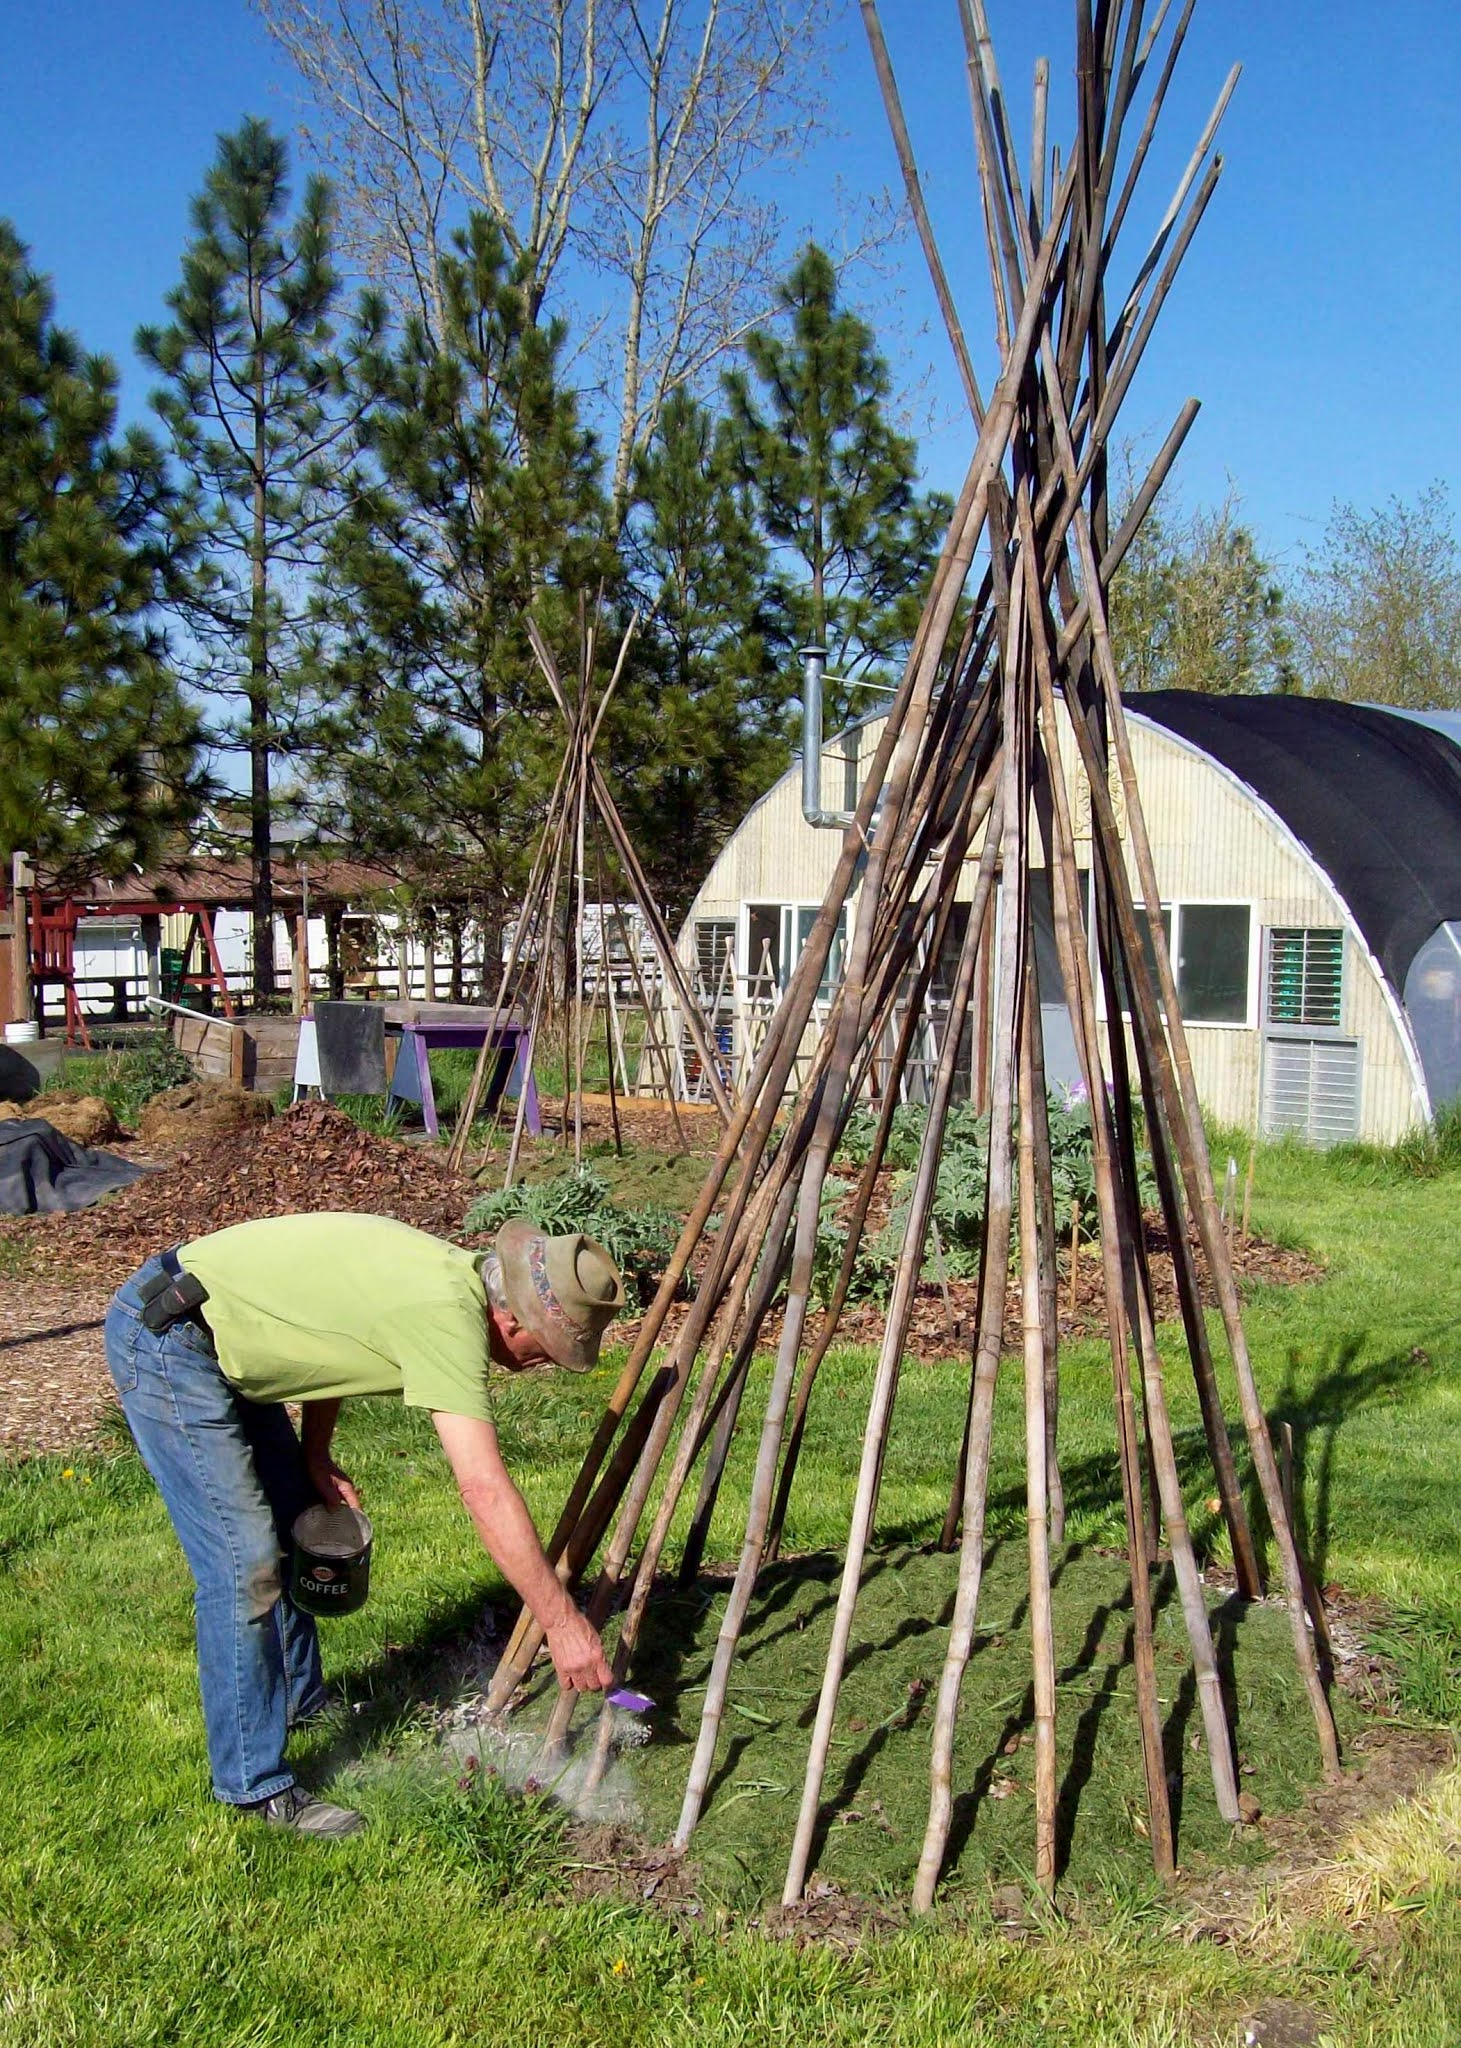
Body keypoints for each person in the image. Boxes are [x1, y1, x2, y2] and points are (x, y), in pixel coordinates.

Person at [103, 1212, 624, 1838]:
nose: (541, 1365)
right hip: (172, 1338)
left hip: (222, 1329)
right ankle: (253, 1785)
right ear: (512, 1320)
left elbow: (334, 1345)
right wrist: (561, 1622)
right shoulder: (444, 1316)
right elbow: (483, 1489)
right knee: (245, 1564)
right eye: (548, 1351)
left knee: (291, 1521)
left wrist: (315, 1455)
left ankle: (300, 1703)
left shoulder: (451, 1279)